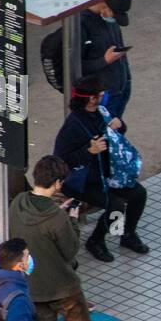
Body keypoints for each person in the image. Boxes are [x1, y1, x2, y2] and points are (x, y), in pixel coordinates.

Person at [9, 155, 90, 321]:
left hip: (30, 285)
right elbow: (70, 250)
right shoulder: (57, 218)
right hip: (62, 287)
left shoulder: (18, 203)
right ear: (57, 183)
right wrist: (72, 220)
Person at [54, 78, 150, 262]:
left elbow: (118, 131)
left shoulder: (102, 112)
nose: (103, 97)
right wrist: (88, 151)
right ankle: (96, 240)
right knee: (116, 205)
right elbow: (61, 160)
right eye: (99, 95)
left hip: (107, 174)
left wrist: (119, 125)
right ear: (90, 99)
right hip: (83, 182)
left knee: (139, 194)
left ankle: (127, 235)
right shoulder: (73, 125)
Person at [79, 0, 133, 125]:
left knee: (117, 133)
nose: (113, 19)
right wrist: (105, 60)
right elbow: (77, 66)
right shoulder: (81, 24)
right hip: (104, 93)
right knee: (104, 136)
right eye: (113, 14)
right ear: (105, 6)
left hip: (122, 84)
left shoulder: (109, 18)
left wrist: (127, 77)